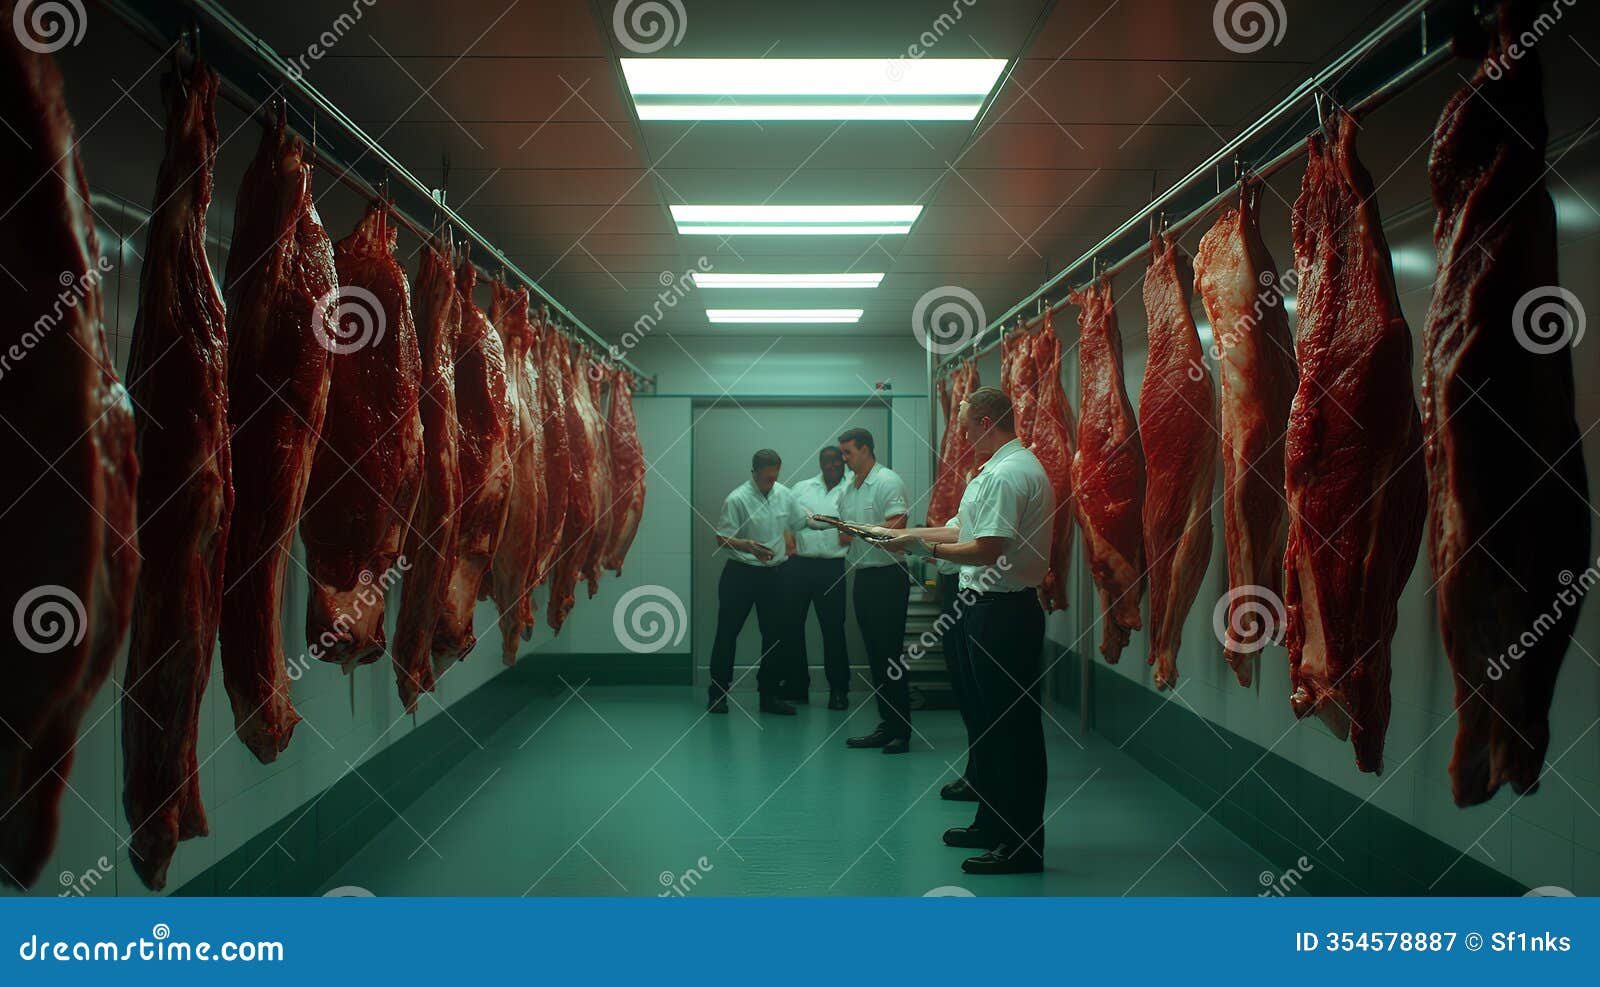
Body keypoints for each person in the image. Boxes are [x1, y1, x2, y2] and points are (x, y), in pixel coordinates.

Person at [878, 387, 1054, 874]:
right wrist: (900, 536)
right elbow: (961, 528)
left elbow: (988, 550)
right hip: (982, 609)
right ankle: (992, 824)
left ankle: (1021, 846)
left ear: (984, 421)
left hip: (1004, 612)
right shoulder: (992, 472)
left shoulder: (1008, 474)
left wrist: (922, 550)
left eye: (963, 423)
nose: (959, 431)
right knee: (987, 724)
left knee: (1011, 730)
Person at [709, 449, 806, 716]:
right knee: (727, 634)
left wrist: (835, 523)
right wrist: (748, 545)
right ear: (754, 472)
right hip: (740, 574)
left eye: (774, 477)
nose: (770, 482)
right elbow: (722, 538)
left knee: (774, 637)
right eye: (765, 478)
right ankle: (718, 695)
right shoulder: (737, 498)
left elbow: (801, 521)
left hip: (773, 575)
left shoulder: (784, 494)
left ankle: (769, 697)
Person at [835, 427, 912, 754]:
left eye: (848, 452)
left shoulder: (887, 482)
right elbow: (845, 535)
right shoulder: (850, 488)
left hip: (888, 577)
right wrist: (844, 531)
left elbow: (897, 530)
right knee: (875, 656)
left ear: (866, 450)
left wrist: (858, 531)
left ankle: (901, 731)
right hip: (863, 577)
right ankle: (886, 723)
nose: (844, 458)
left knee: (890, 654)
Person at [784, 446, 851, 710]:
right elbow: (787, 521)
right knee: (792, 628)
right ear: (820, 463)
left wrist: (815, 522)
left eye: (836, 460)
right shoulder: (802, 488)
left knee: (833, 630)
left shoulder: (851, 489)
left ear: (843, 462)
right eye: (826, 461)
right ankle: (797, 686)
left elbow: (849, 530)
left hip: (832, 568)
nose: (832, 465)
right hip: (798, 566)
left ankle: (838, 690)